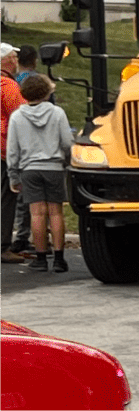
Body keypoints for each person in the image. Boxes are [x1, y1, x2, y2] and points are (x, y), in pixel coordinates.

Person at [6, 74, 73, 272]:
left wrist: (13, 175)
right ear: (46, 92)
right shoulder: (57, 113)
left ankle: (41, 258)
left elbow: (12, 150)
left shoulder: (17, 117)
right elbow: (67, 142)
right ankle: (59, 259)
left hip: (29, 169)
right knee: (56, 212)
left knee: (37, 213)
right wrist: (66, 161)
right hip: (53, 167)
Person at [0, 42, 29, 264]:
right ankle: (3, 246)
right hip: (4, 148)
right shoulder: (8, 86)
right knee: (6, 199)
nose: (17, 61)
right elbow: (21, 116)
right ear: (7, 61)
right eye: (14, 57)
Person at [9, 45, 38, 254]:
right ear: (34, 60)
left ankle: (21, 234)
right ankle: (35, 236)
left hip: (19, 143)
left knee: (20, 196)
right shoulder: (40, 82)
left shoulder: (14, 82)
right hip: (38, 146)